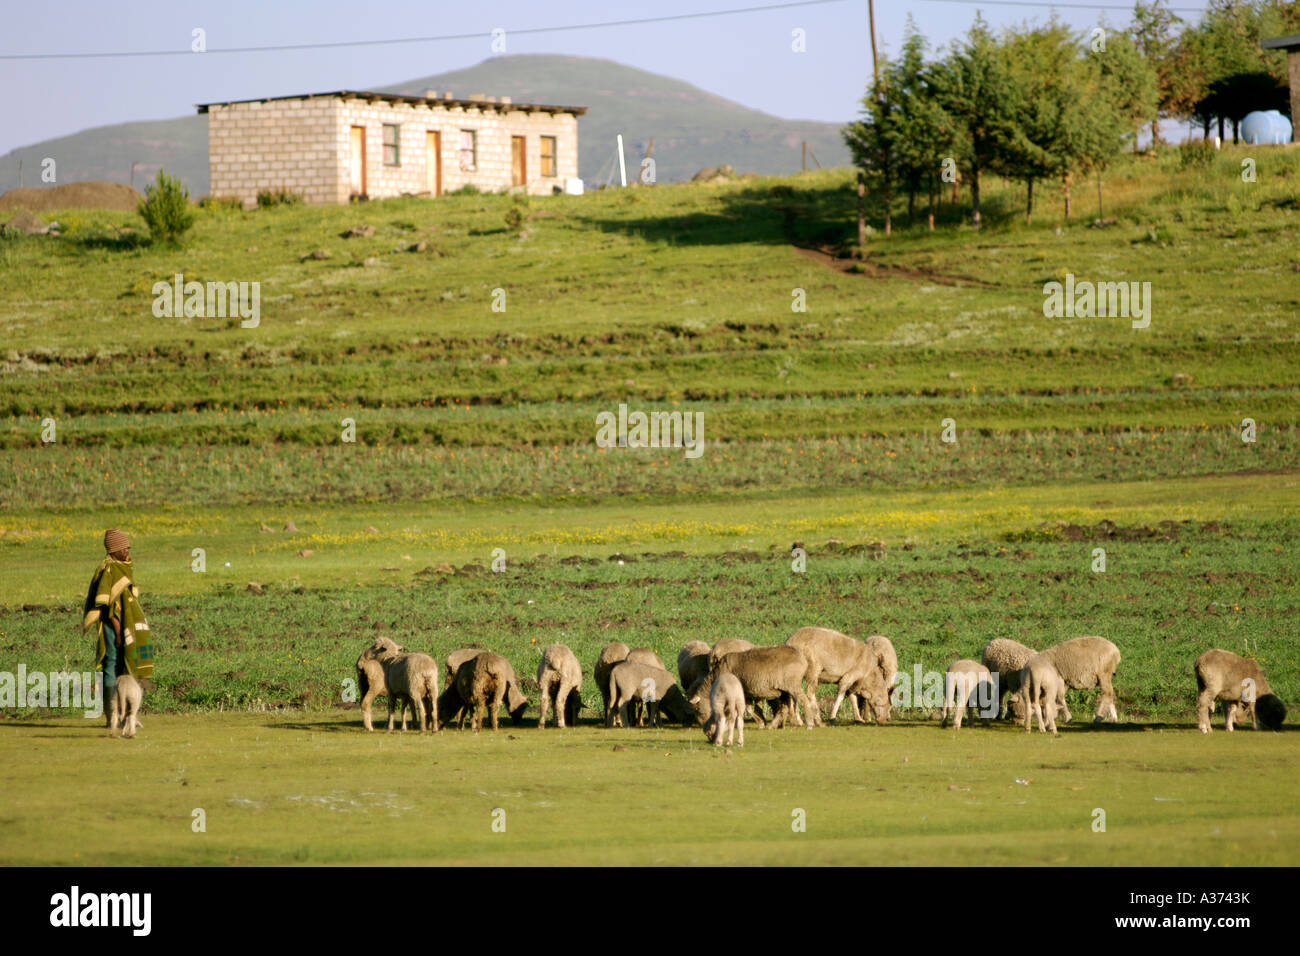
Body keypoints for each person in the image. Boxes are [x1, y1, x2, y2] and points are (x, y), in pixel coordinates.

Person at [83, 529, 154, 725]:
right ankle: (111, 713)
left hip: (125, 625)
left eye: (128, 547)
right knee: (112, 664)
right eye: (123, 548)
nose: (127, 550)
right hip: (113, 625)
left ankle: (128, 714)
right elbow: (106, 606)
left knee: (127, 662)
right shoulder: (109, 569)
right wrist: (117, 631)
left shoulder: (122, 566)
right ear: (114, 550)